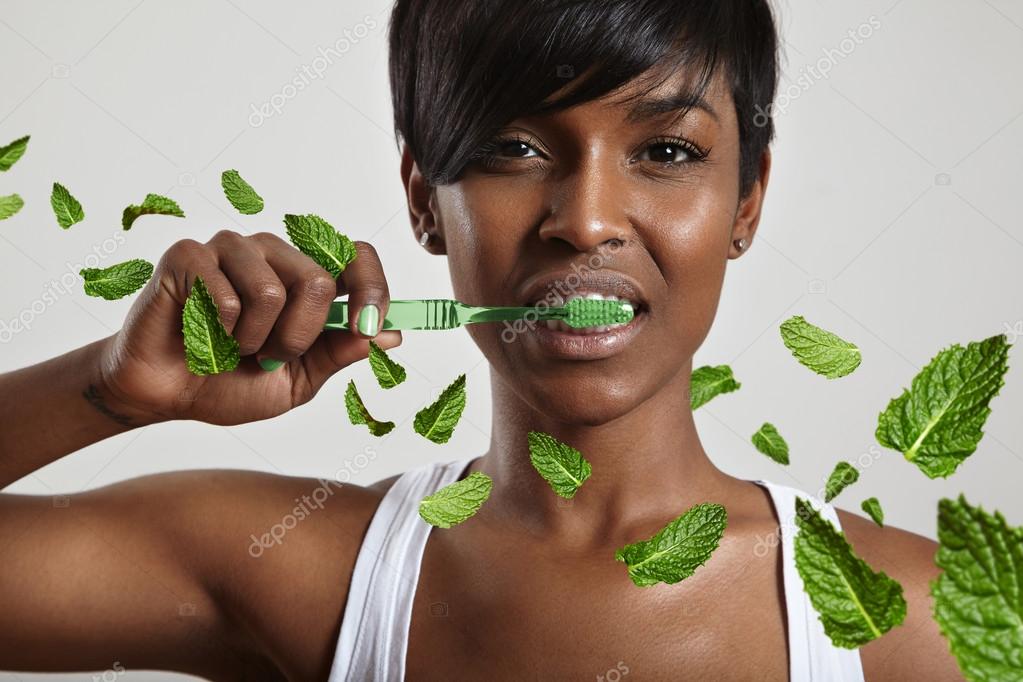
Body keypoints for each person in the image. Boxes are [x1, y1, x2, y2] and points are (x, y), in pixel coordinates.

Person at [0, 1, 963, 679]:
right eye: (515, 147)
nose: (584, 222)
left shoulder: (918, 619)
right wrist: (105, 391)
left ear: (744, 201)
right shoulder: (294, 570)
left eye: (666, 151)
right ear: (425, 199)